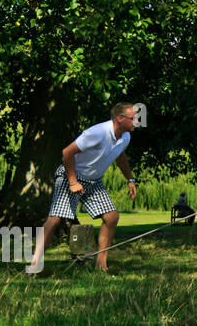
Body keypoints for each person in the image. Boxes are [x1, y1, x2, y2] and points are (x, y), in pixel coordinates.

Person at [27, 102, 139, 274]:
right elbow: (67, 153)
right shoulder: (97, 133)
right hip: (69, 176)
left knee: (111, 217)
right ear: (120, 118)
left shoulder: (125, 137)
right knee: (55, 219)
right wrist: (72, 182)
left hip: (93, 182)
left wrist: (129, 179)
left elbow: (120, 156)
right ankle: (34, 265)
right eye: (133, 118)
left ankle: (101, 265)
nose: (137, 122)